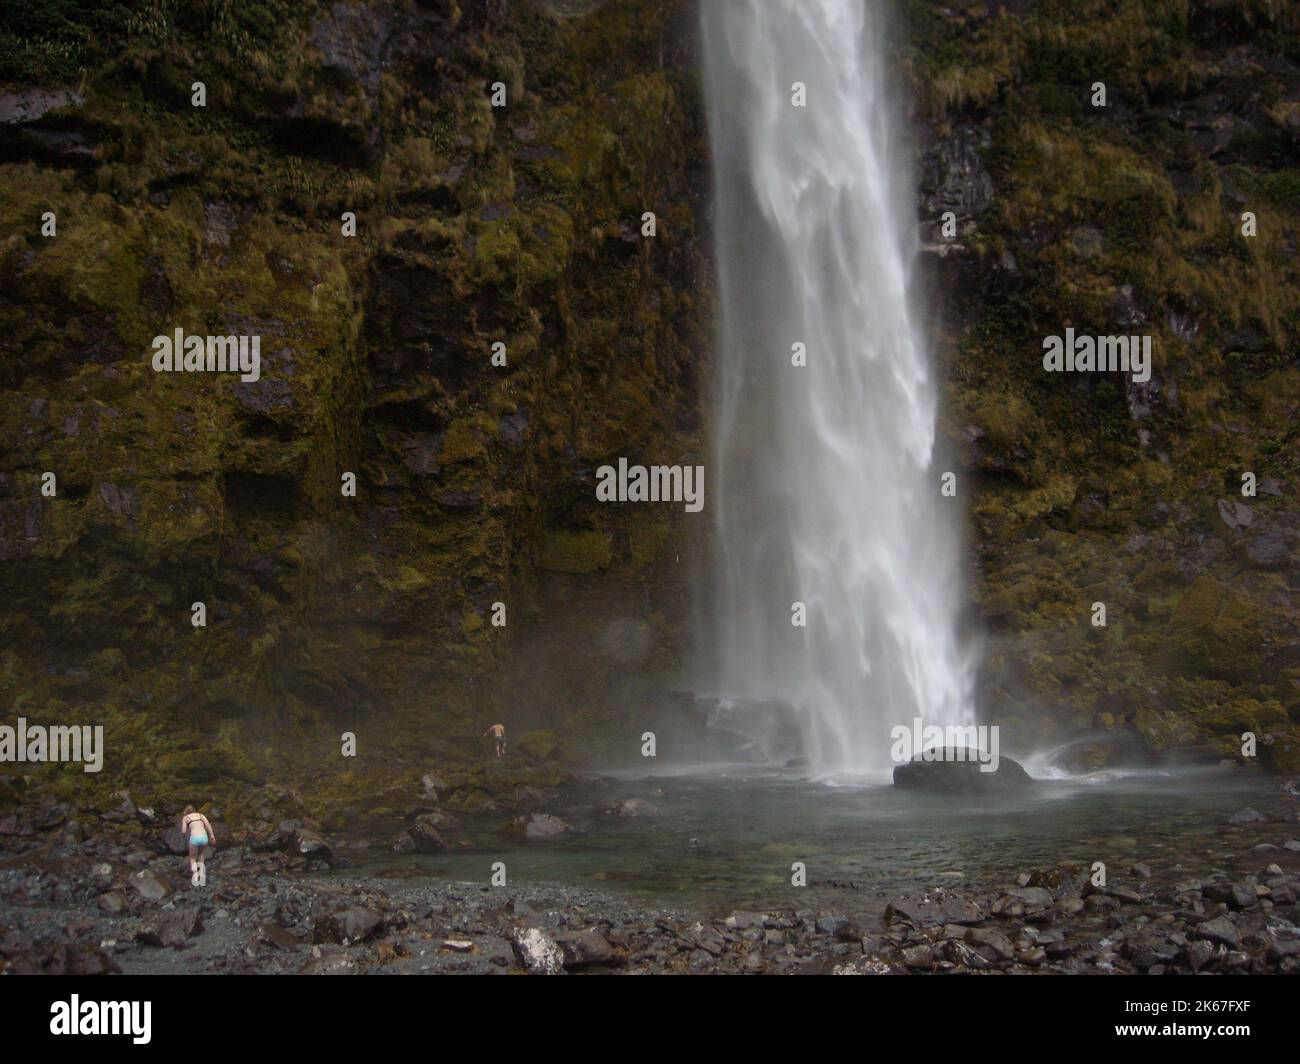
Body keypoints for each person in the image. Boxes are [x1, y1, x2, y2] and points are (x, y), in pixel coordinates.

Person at [180, 805, 216, 886]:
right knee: (200, 854)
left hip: (195, 838)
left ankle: (195, 876)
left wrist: (184, 835)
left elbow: (183, 831)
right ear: (194, 810)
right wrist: (212, 836)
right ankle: (202, 876)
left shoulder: (186, 818)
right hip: (204, 837)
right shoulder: (201, 815)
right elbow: (208, 825)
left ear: (186, 811)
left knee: (192, 858)